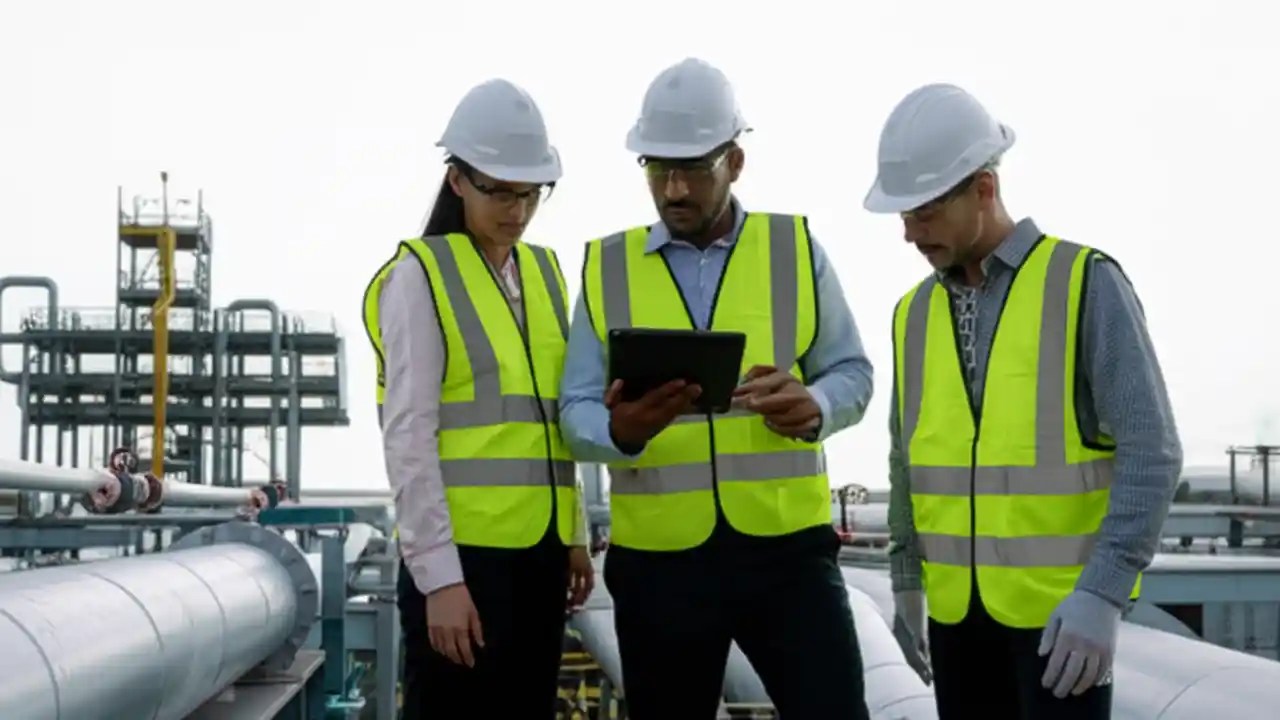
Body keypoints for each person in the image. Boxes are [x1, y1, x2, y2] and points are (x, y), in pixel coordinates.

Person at [559, 57, 876, 719]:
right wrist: (620, 432)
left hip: (787, 556)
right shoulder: (606, 268)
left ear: (735, 161)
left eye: (693, 171)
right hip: (659, 565)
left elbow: (852, 373)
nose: (673, 190)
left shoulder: (795, 249)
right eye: (657, 170)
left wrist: (815, 405)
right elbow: (576, 409)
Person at [865, 82, 1183, 719]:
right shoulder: (914, 313)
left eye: (922, 213)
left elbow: (1152, 452)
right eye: (902, 216)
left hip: (1064, 628)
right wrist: (907, 587)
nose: (909, 234)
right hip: (957, 623)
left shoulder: (1084, 284)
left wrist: (1104, 594)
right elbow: (907, 462)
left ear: (984, 189)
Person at [361, 78, 595, 719]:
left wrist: (573, 533)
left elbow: (554, 420)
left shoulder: (545, 274)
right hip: (465, 564)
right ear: (457, 179)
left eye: (530, 193)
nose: (516, 210)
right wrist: (440, 580)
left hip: (539, 558)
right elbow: (408, 435)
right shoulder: (420, 277)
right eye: (498, 190)